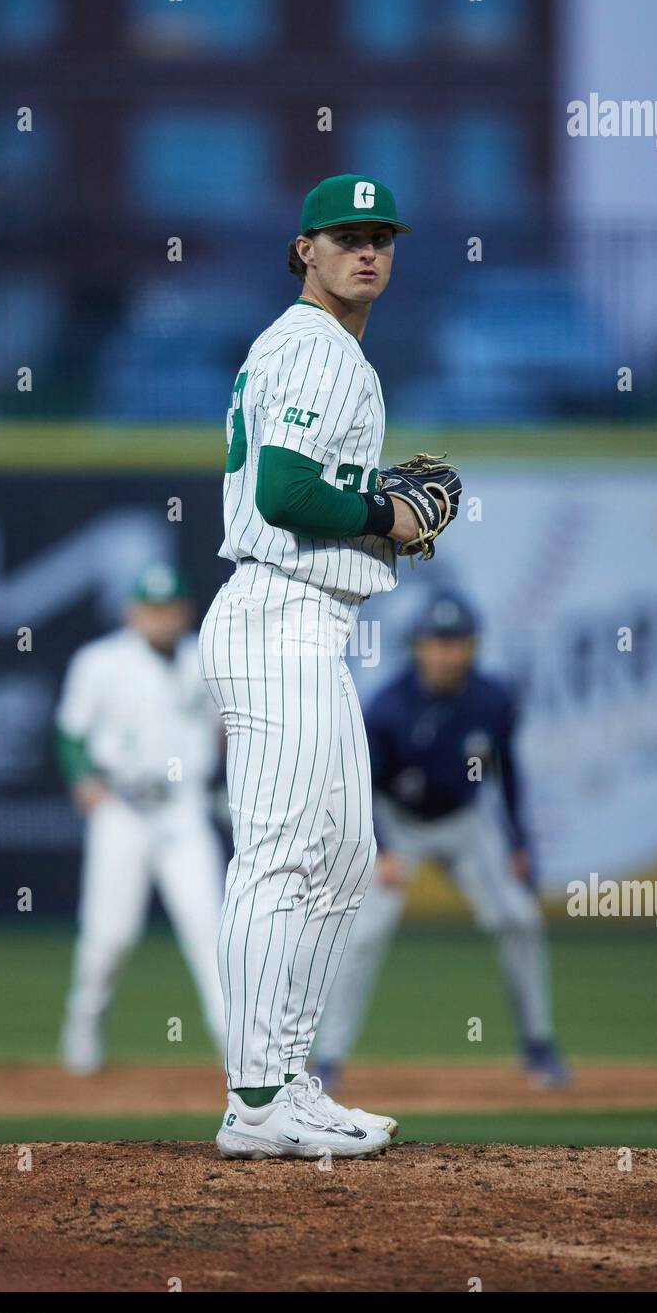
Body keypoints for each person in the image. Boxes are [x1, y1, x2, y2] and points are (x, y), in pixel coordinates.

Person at [199, 174, 459, 1159]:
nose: (366, 252)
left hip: (307, 621)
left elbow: (305, 484)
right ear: (302, 248)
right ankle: (256, 1100)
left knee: (344, 857)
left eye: (380, 237)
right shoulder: (313, 347)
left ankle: (288, 1081)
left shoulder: (317, 350)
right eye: (344, 236)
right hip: (277, 613)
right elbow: (281, 490)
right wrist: (389, 514)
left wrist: (368, 515)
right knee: (278, 858)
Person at [314, 592, 572, 1090]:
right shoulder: (389, 707)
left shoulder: (492, 699)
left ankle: (538, 1046)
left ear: (471, 647)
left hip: (465, 822)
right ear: (417, 647)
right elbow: (360, 783)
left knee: (519, 918)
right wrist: (381, 848)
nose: (445, 653)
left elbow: (507, 770)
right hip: (397, 821)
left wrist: (518, 841)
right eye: (435, 642)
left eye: (456, 643)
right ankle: (328, 1060)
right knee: (362, 936)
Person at [56, 563, 226, 1073]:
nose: (159, 617)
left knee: (210, 930)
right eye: (150, 608)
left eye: (168, 608)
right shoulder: (100, 661)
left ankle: (235, 1048)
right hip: (122, 808)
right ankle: (84, 1028)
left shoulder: (206, 659)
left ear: (183, 611)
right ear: (132, 612)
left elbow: (227, 729)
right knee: (111, 935)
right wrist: (83, 778)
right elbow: (71, 732)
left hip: (184, 807)